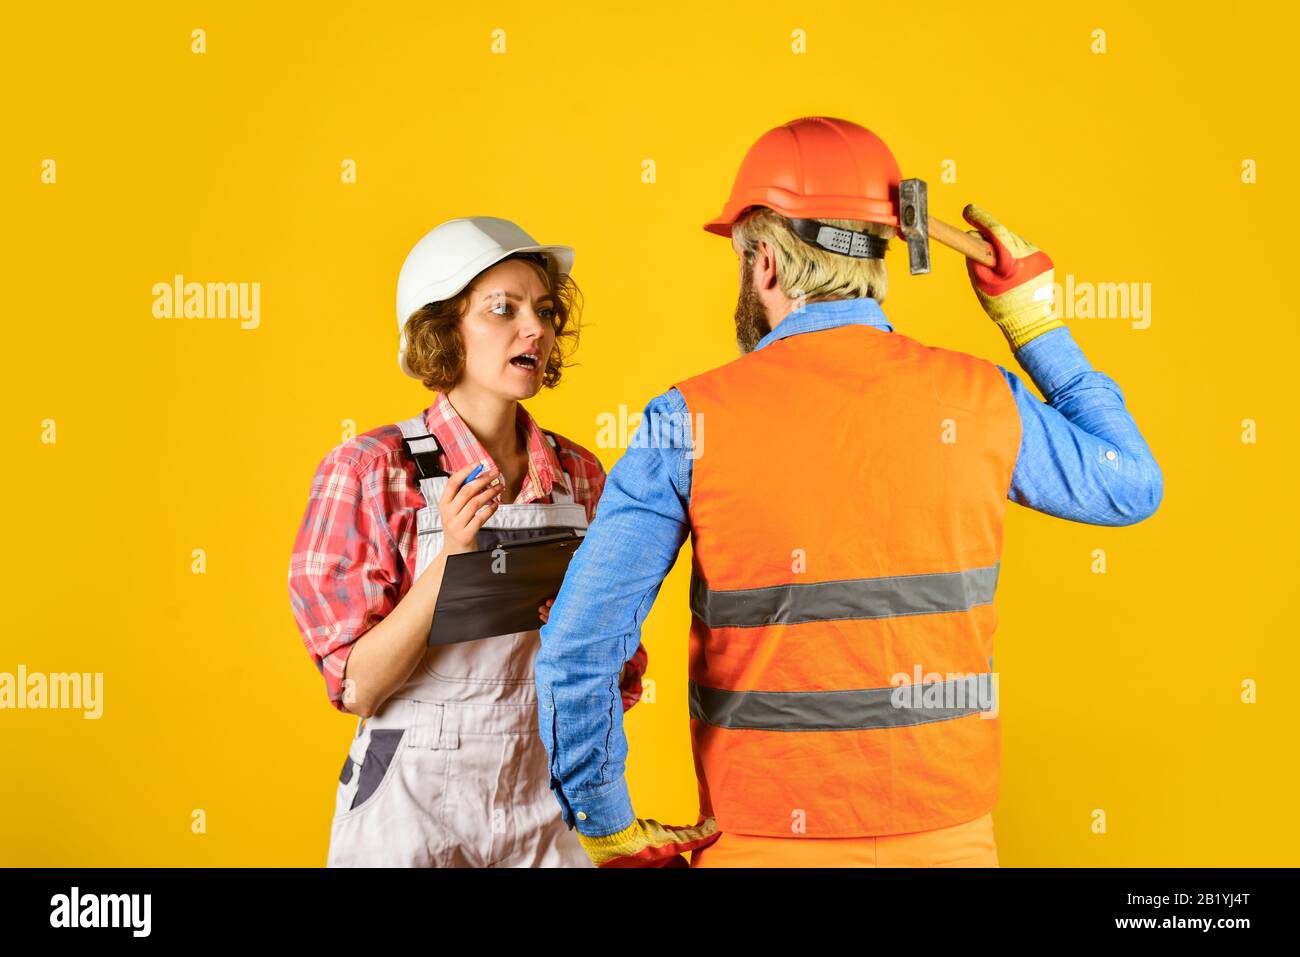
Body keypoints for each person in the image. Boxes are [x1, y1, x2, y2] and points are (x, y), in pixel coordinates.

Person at [535, 117, 1163, 868]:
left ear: (764, 262)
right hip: (950, 841)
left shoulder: (686, 420)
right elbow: (1130, 485)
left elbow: (578, 647)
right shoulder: (982, 398)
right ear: (882, 259)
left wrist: (606, 826)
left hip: (760, 844)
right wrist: (1032, 319)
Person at [288, 216, 647, 867]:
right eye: (502, 309)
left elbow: (614, 672)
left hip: (545, 801)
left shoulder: (581, 475)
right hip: (411, 805)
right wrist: (453, 557)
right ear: (443, 329)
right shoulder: (371, 468)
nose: (533, 328)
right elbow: (360, 687)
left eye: (542, 309)